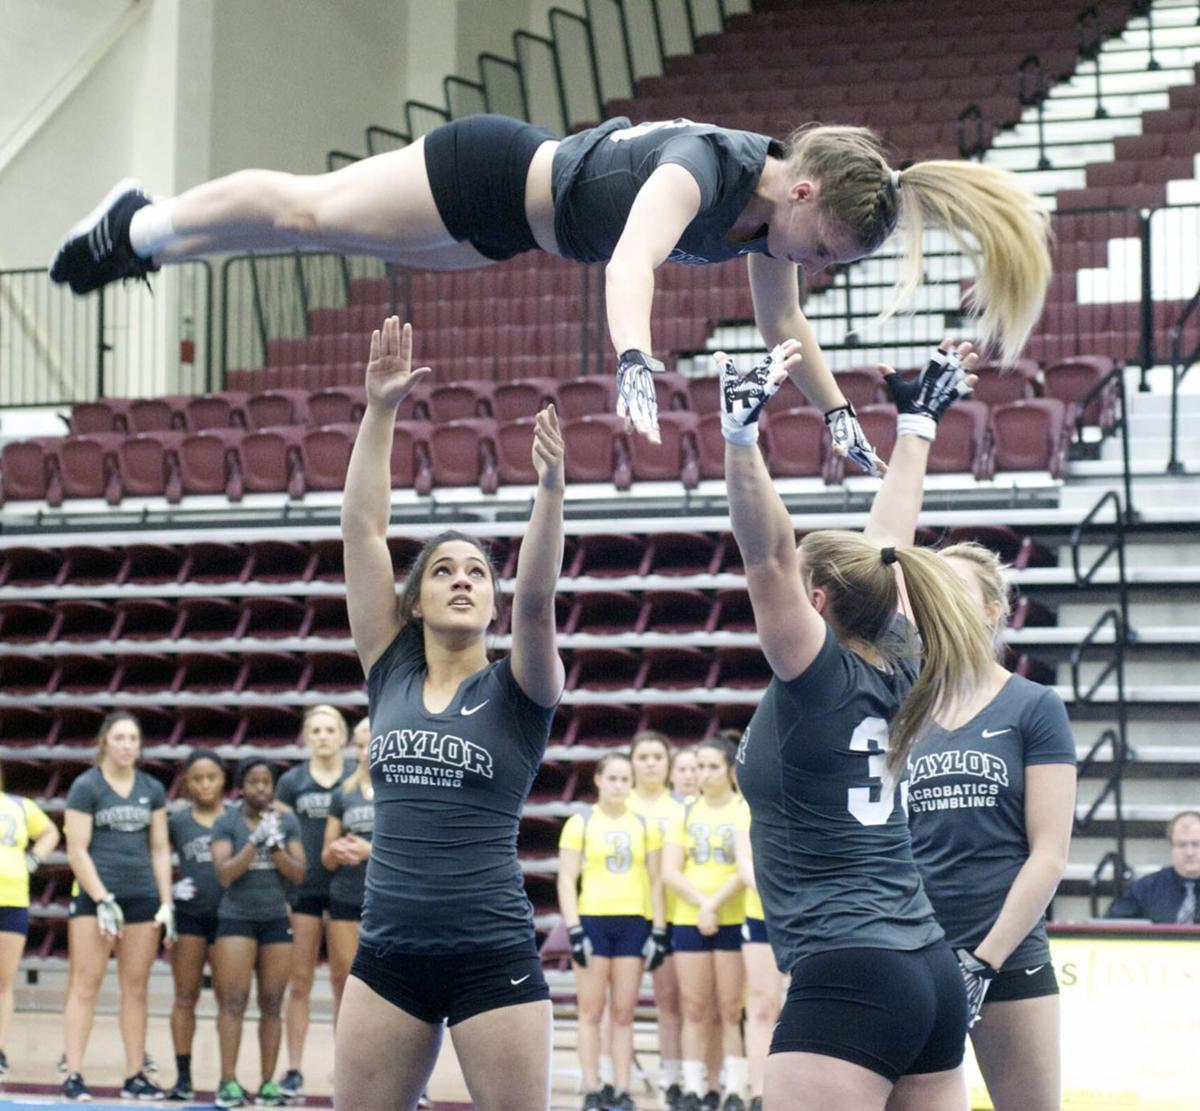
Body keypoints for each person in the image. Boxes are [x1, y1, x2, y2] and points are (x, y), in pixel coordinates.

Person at [49, 115, 1049, 450]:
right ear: (801, 185)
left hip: (508, 234)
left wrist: (838, 418)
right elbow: (630, 261)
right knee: (311, 208)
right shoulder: (705, 167)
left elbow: (789, 327)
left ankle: (147, 245)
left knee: (316, 242)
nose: (811, 267)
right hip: (486, 173)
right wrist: (631, 361)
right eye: (822, 245)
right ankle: (144, 218)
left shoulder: (771, 230)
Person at [723, 337, 993, 1110]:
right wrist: (918, 425)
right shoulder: (903, 653)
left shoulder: (818, 676)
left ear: (818, 604)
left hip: (851, 970)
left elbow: (767, 555)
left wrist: (742, 438)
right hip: (928, 971)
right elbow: (892, 545)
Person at [333, 316, 566, 1111]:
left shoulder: (520, 687)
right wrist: (380, 410)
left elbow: (538, 602)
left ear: (492, 602)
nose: (462, 579)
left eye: (476, 571)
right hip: (388, 950)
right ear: (417, 597)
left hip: (489, 951)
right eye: (442, 570)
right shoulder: (389, 665)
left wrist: (550, 493)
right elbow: (362, 531)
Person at [906, 541, 1077, 1111]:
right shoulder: (903, 711)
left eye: (958, 591)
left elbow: (1049, 855)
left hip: (1006, 957)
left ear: (991, 609)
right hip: (916, 956)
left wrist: (983, 961)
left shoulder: (1034, 707)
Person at [61, 711, 174, 1102]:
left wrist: (166, 902)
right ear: (104, 741)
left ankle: (134, 1075)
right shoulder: (85, 786)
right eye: (120, 738)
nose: (128, 745)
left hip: (141, 896)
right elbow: (76, 851)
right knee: (86, 984)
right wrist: (102, 898)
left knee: (136, 988)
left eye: (133, 739)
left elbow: (159, 849)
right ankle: (74, 1072)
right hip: (97, 900)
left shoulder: (151, 788)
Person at [558, 751, 668, 1111]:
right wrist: (574, 928)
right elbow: (566, 879)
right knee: (590, 1011)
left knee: (623, 1013)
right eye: (613, 778)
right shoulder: (581, 823)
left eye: (625, 779)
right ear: (599, 780)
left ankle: (621, 1088)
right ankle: (591, 1087)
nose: (620, 785)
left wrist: (659, 928)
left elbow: (655, 881)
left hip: (633, 923)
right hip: (593, 922)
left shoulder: (644, 825)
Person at [210, 756, 305, 1109]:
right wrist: (255, 841)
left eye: (267, 782)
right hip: (236, 918)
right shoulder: (226, 822)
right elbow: (225, 874)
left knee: (272, 1003)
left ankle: (268, 1084)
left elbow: (298, 874)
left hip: (275, 920)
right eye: (254, 782)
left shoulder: (288, 821)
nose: (261, 788)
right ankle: (228, 1082)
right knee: (233, 1001)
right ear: (241, 787)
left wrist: (276, 844)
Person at [661, 737, 750, 1111]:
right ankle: (695, 1088)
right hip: (689, 919)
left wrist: (714, 904)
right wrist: (702, 905)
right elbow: (669, 871)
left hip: (732, 916)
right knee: (695, 1007)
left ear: (730, 769)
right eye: (699, 766)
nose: (703, 773)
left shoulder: (744, 810)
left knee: (730, 1009)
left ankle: (732, 1089)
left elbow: (745, 869)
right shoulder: (683, 813)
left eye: (712, 766)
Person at [274, 704, 352, 1100]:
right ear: (307, 737)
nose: (323, 737)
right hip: (304, 890)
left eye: (330, 730)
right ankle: (293, 1069)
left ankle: (346, 1069)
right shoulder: (291, 783)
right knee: (300, 982)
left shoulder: (357, 779)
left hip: (347, 892)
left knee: (345, 984)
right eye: (316, 730)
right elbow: (283, 838)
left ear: (342, 736)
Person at [166, 749, 231, 1101]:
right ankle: (183, 1077)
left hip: (229, 918)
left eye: (212, 777)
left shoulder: (236, 818)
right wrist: (171, 888)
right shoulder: (177, 821)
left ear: (223, 779)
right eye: (197, 778)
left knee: (227, 1000)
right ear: (187, 783)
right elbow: (157, 856)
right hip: (189, 917)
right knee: (184, 996)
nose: (205, 784)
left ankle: (227, 1078)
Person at [627, 731, 686, 1107]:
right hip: (626, 916)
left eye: (657, 757)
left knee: (671, 1003)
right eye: (643, 756)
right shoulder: (617, 803)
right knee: (618, 1007)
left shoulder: (681, 809)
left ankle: (673, 1076)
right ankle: (611, 1078)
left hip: (673, 917)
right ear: (631, 763)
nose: (650, 763)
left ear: (668, 765)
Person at [0, 765, 60, 1075]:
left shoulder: (21, 806)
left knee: (3, 982)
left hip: (11, 898)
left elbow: (50, 831)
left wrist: (33, 859)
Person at [731, 782, 784, 1111]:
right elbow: (743, 863)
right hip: (762, 913)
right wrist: (775, 891)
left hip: (803, 915)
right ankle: (758, 1091)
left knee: (797, 1006)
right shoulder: (745, 808)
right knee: (762, 1005)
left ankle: (794, 1088)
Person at [320, 716, 374, 1021]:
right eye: (360, 746)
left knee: (382, 987)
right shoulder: (342, 793)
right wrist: (337, 851)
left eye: (371, 745)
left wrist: (369, 851)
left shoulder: (396, 787)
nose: (365, 752)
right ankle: (344, 1065)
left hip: (384, 898)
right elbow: (325, 858)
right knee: (343, 981)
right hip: (345, 894)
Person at [1107, 810, 1200, 924]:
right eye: (1181, 845)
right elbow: (1111, 927)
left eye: (1196, 844)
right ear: (1171, 846)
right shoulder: (1145, 889)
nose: (1189, 852)